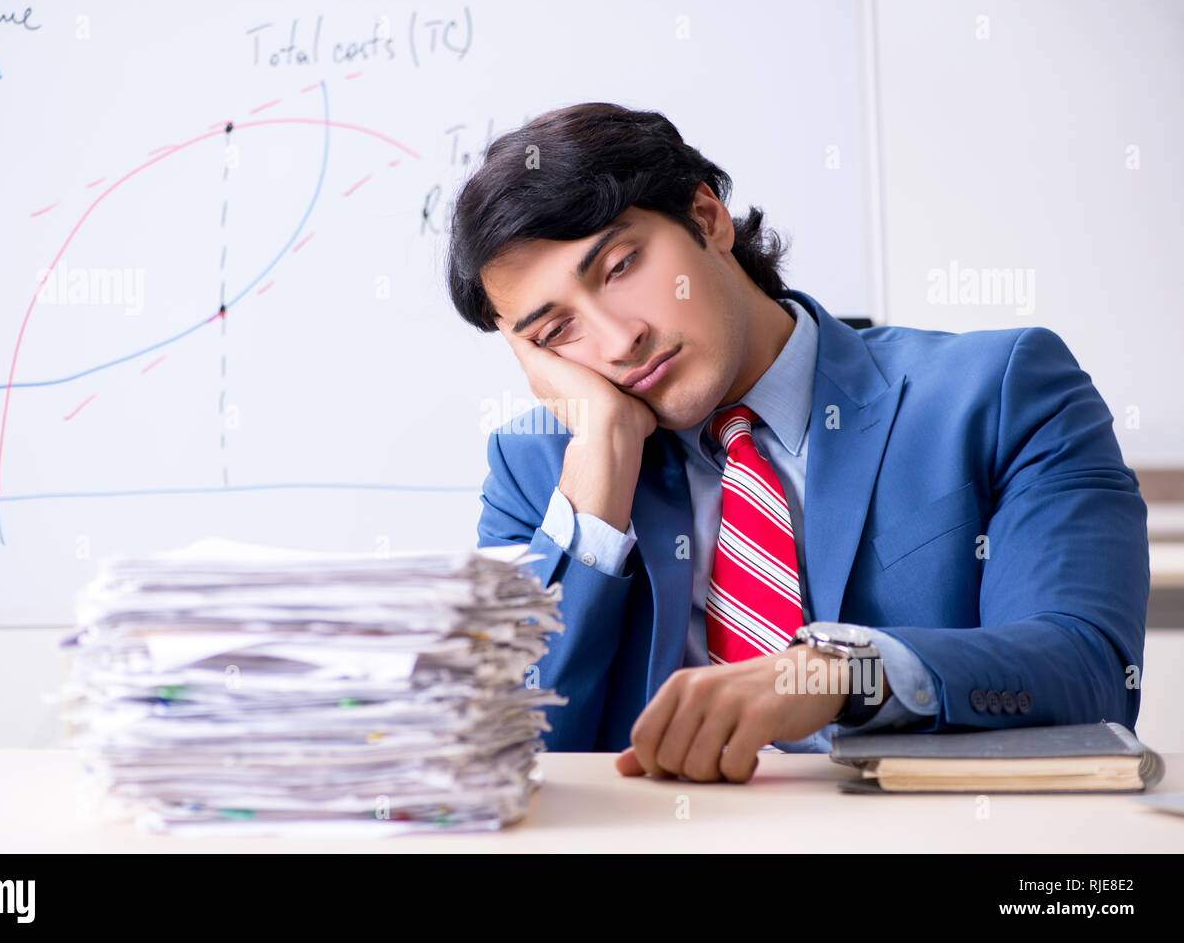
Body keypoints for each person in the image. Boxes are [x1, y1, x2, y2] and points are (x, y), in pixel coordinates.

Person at [446, 102, 1148, 783]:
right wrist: (598, 477)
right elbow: (499, 762)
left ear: (706, 218)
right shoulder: (540, 471)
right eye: (556, 330)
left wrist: (837, 671)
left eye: (621, 266)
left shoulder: (997, 392)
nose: (619, 339)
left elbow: (1089, 671)